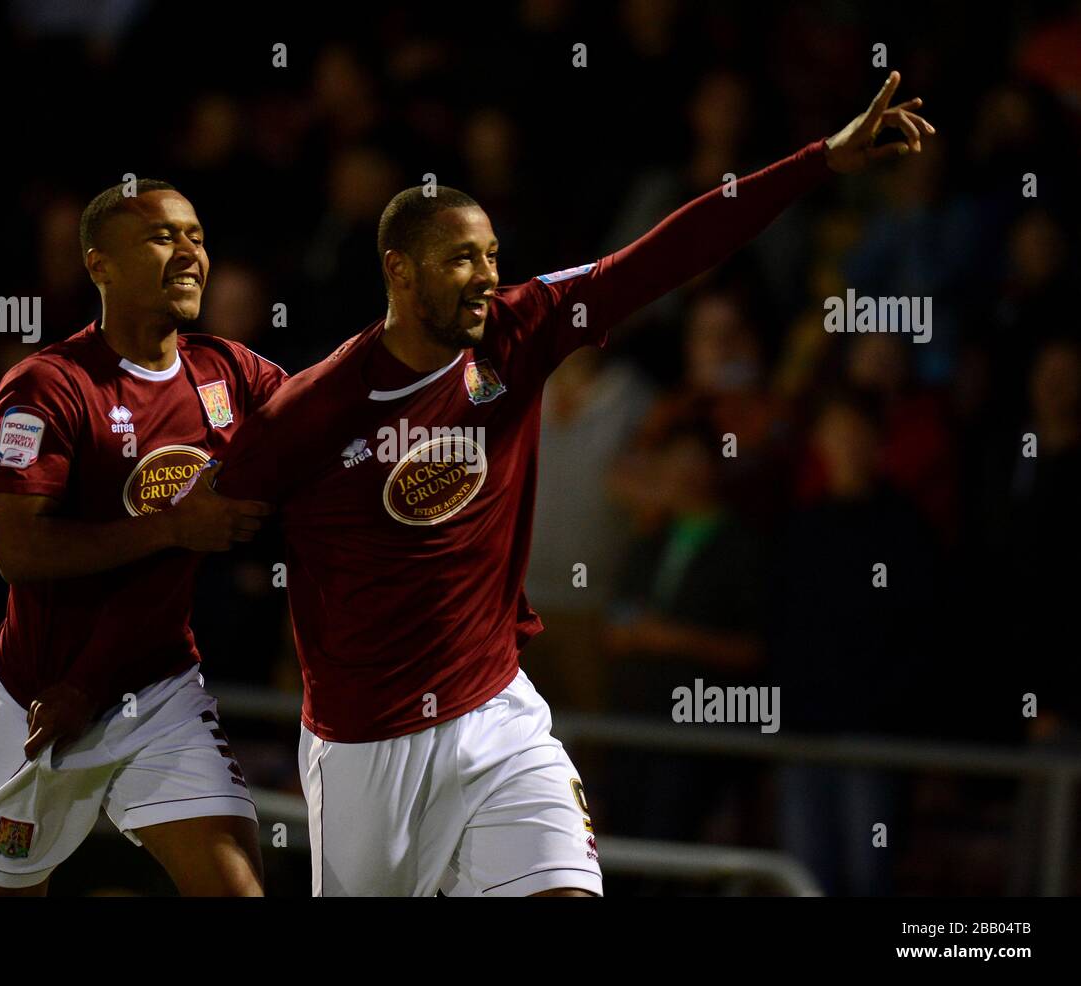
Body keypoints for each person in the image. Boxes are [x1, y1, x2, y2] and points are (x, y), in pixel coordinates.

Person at [191, 72, 935, 897]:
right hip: (368, 745)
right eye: (460, 259)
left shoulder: (519, 331)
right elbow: (200, 522)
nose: (484, 274)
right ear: (399, 272)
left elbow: (669, 254)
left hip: (497, 710)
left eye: (491, 256)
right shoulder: (313, 408)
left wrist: (819, 163)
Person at [0, 179, 281, 896]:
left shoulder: (228, 373)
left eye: (196, 236)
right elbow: (19, 552)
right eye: (163, 237)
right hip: (37, 696)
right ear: (99, 266)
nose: (191, 253)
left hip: (158, 686)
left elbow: (326, 411)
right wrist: (173, 526)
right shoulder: (47, 385)